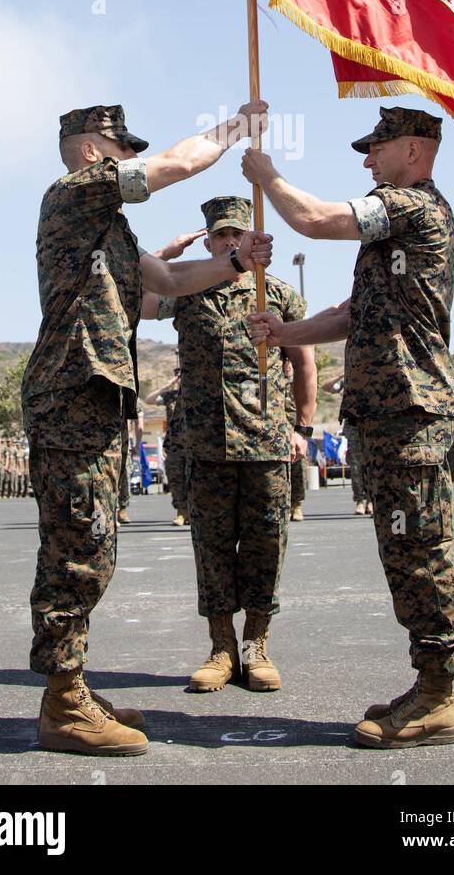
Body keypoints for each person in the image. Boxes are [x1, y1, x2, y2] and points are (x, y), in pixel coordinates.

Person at [21, 100, 271, 758]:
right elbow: (175, 164)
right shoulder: (75, 194)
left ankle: (68, 689)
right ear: (89, 149)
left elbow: (170, 280)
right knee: (77, 549)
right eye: (121, 146)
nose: (132, 158)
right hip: (72, 392)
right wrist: (233, 131)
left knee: (92, 545)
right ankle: (63, 704)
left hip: (97, 397)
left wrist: (238, 264)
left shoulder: (116, 234)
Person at [243, 105, 454, 749]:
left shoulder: (414, 206)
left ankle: (439, 694)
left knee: (421, 553)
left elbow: (314, 221)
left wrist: (268, 175)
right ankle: (430, 682)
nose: (367, 160)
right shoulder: (395, 218)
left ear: (415, 152)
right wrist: (287, 333)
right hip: (388, 413)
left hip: (410, 410)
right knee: (404, 553)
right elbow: (351, 313)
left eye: (378, 147)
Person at [142, 195, 317, 693]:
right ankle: (221, 648)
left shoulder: (278, 293)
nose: (230, 241)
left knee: (266, 542)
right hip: (204, 441)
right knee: (212, 546)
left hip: (265, 439)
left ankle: (256, 645)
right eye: (220, 235)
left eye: (238, 234)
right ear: (211, 240)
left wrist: (302, 429)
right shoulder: (188, 293)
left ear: (252, 239)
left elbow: (304, 363)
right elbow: (138, 299)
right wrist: (167, 256)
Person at [322, 373, 373, 515]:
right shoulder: (347, 382)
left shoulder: (371, 378)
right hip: (353, 428)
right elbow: (326, 387)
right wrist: (340, 376)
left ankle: (371, 500)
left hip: (370, 427)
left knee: (370, 466)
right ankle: (359, 501)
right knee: (356, 467)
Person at [145, 371, 188, 526]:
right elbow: (148, 399)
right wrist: (165, 386)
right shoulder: (171, 396)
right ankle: (181, 512)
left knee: (195, 480)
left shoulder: (199, 393)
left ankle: (194, 512)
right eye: (179, 377)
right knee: (176, 479)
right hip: (175, 444)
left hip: (195, 445)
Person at [284, 356, 308, 522]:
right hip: (277, 425)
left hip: (294, 425)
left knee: (298, 465)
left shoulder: (297, 381)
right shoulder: (272, 377)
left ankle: (297, 504)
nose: (286, 366)